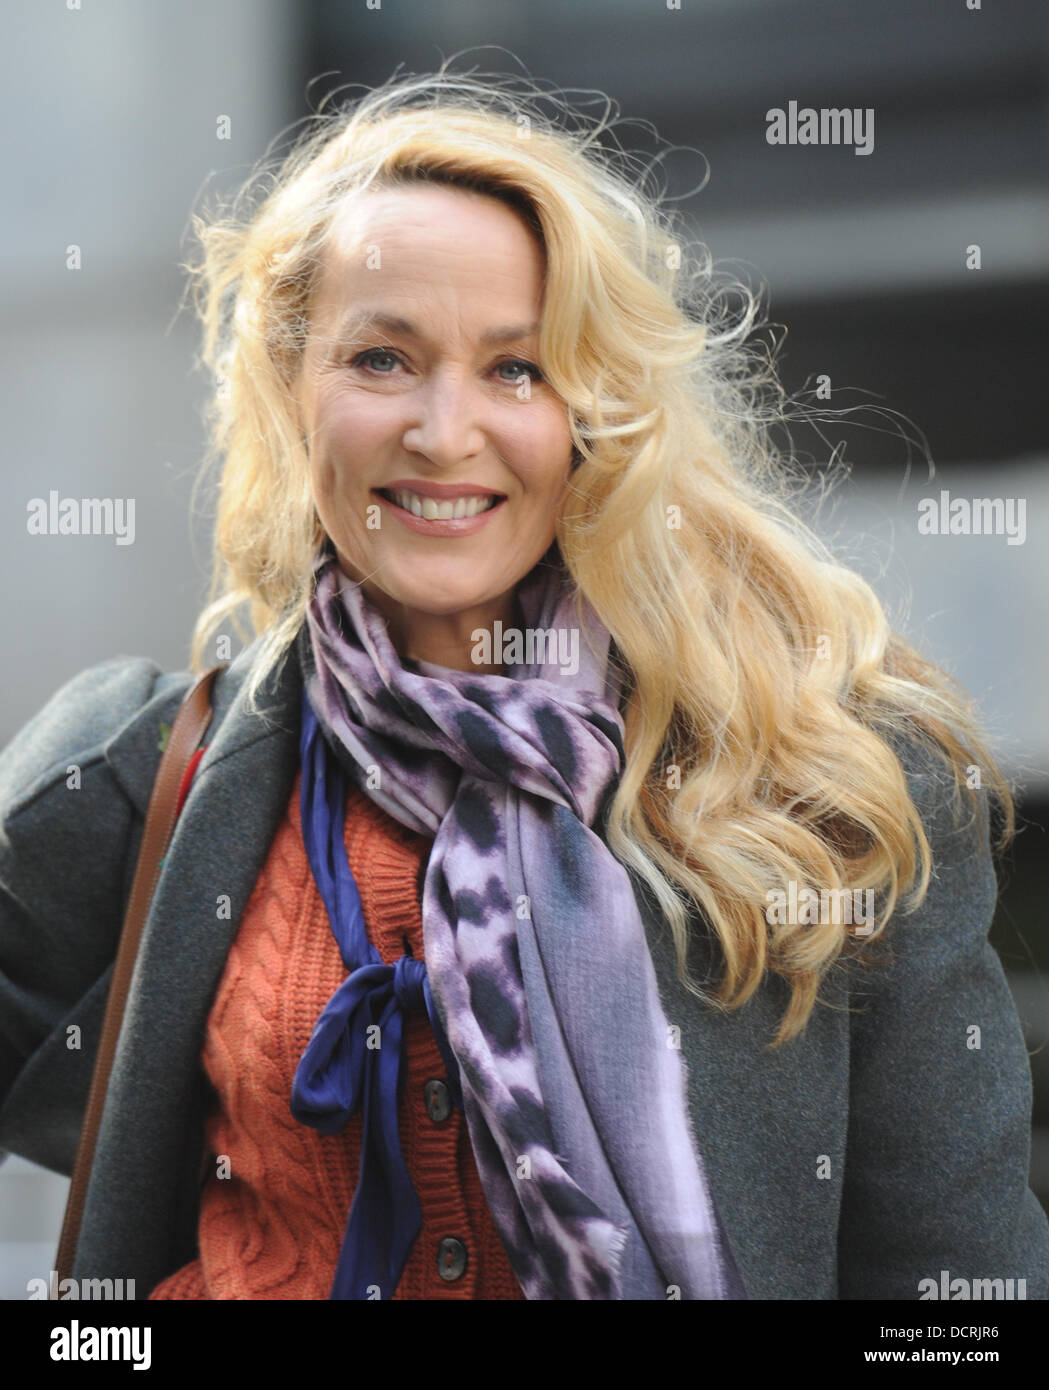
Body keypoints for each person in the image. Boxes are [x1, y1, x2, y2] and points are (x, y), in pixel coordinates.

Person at [1, 66, 1046, 1302]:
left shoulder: (835, 780)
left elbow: (956, 1293)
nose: (444, 433)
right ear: (293, 394)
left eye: (515, 369)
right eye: (381, 358)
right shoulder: (146, 770)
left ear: (598, 413)